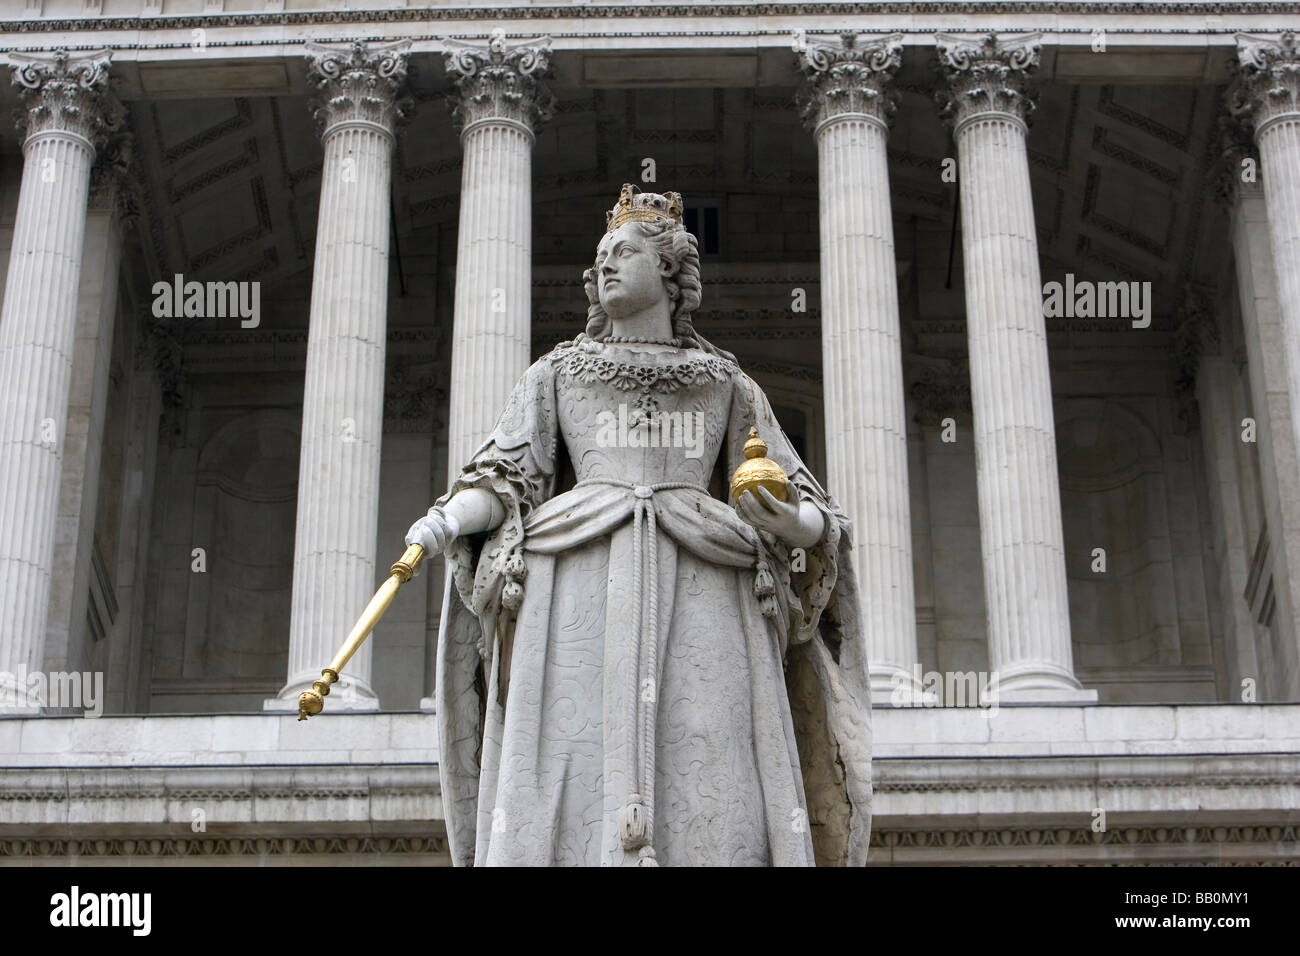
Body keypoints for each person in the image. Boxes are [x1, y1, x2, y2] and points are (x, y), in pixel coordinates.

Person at [406, 184, 871, 866]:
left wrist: (792, 523)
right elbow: (506, 477)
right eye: (601, 258)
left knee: (710, 752)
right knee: (568, 746)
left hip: (708, 572)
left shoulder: (725, 380)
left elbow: (804, 502)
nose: (606, 268)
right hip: (576, 571)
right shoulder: (555, 373)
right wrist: (449, 517)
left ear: (671, 271)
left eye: (625, 252)